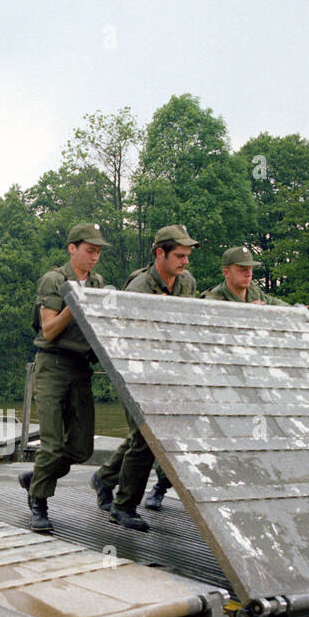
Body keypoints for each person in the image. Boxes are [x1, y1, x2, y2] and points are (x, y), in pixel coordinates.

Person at [90, 225, 199, 531]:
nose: (185, 262)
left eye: (187, 256)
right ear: (159, 254)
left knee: (146, 437)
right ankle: (123, 507)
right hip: (135, 372)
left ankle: (104, 477)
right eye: (179, 255)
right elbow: (120, 338)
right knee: (146, 438)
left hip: (170, 372)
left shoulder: (186, 282)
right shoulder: (138, 287)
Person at [18, 222, 109, 534]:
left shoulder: (97, 282)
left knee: (82, 448)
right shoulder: (55, 280)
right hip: (53, 365)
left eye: (98, 251)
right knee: (53, 444)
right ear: (72, 248)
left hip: (81, 366)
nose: (94, 257)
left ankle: (36, 479)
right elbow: (49, 330)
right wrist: (75, 303)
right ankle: (39, 501)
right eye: (89, 250)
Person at [203, 246, 287, 304]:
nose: (248, 274)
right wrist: (248, 312)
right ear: (226, 273)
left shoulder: (253, 291)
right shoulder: (213, 300)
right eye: (242, 270)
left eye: (250, 269)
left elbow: (281, 306)